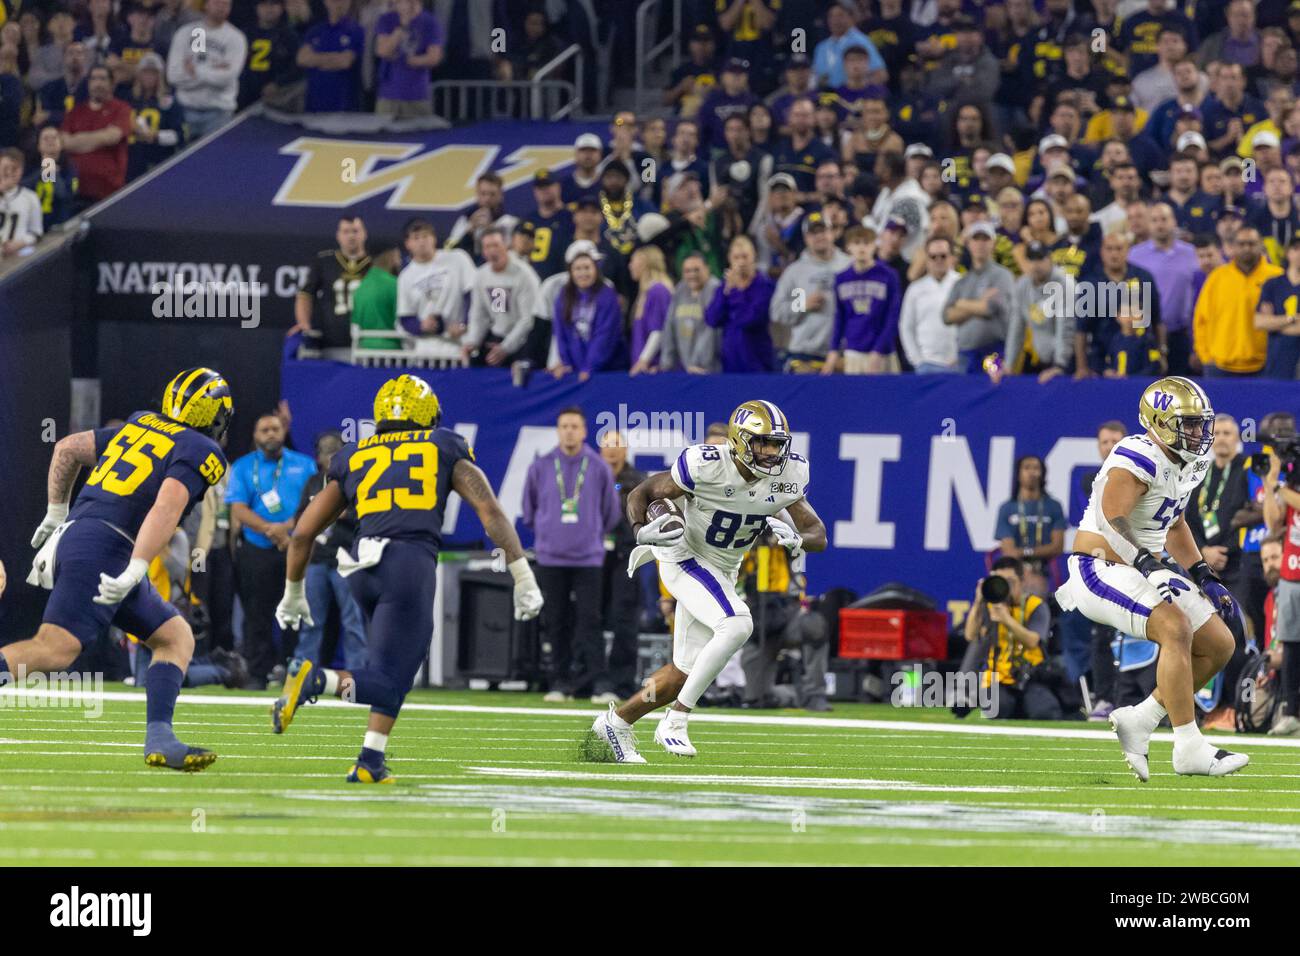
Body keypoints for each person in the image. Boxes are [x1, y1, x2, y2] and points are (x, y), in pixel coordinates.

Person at [273, 374, 543, 782]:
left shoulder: (353, 455)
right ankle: (316, 679)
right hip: (407, 564)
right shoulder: (444, 445)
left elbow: (303, 533)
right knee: (392, 677)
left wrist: (293, 592)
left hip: (361, 570)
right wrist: (522, 575)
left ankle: (370, 759)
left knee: (390, 671)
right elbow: (490, 513)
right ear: (429, 414)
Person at [14, 368, 232, 771]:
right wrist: (137, 567)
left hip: (88, 537)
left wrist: (57, 512)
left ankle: (161, 740)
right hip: (108, 547)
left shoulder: (140, 424)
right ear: (218, 416)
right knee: (55, 649)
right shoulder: (201, 448)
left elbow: (66, 448)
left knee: (175, 637)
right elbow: (166, 507)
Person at [590, 400, 827, 762]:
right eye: (762, 443)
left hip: (724, 568)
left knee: (682, 673)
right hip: (685, 557)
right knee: (737, 624)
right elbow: (642, 492)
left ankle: (616, 724)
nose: (770, 452)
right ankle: (677, 720)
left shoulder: (786, 475)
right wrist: (641, 531)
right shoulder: (706, 465)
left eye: (776, 444)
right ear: (738, 440)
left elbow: (817, 533)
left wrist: (797, 539)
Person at [1057, 376, 1248, 780]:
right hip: (1099, 567)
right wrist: (1147, 563)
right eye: (1189, 424)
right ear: (1160, 422)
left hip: (1144, 565)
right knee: (1175, 628)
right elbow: (1113, 520)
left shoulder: (1189, 461)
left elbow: (1174, 522)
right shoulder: (1136, 454)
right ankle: (1189, 747)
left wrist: (1202, 574)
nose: (1199, 432)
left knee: (1219, 644)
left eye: (1200, 423)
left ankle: (1140, 719)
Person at [522, 407, 621, 703]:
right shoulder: (541, 465)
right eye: (564, 425)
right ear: (557, 430)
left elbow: (611, 511)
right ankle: (559, 683)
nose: (569, 431)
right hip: (551, 557)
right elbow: (529, 510)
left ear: (584, 431)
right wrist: (547, 531)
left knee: (590, 620)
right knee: (555, 621)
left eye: (574, 426)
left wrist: (590, 533)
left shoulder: (597, 466)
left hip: (588, 558)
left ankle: (598, 684)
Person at [225, 411, 316, 688]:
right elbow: (238, 508)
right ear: (255, 435)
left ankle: (292, 670)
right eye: (264, 430)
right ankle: (257, 672)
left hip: (296, 547)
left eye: (275, 429)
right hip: (256, 549)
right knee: (256, 614)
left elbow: (315, 502)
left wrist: (288, 527)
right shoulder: (242, 466)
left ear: (284, 432)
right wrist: (270, 529)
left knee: (296, 611)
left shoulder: (305, 465)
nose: (271, 434)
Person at [964, 556, 1060, 720]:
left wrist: (1006, 619)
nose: (1005, 587)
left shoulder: (1035, 605)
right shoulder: (990, 605)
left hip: (1031, 676)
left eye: (1010, 581)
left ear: (1022, 582)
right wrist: (978, 601)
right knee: (998, 708)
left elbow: (1032, 641)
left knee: (1045, 713)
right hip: (998, 678)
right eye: (999, 580)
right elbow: (970, 635)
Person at [595, 430, 645, 703]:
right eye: (607, 445)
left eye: (617, 445)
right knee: (588, 618)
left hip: (625, 557)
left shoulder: (637, 481)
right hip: (591, 556)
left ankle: (621, 682)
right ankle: (590, 679)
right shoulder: (589, 477)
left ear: (625, 449)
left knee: (624, 619)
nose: (612, 450)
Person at [1194, 226, 1281, 377]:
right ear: (1233, 247)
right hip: (1220, 366)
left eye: (1252, 243)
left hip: (1266, 365)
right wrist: (1206, 356)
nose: (1247, 248)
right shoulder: (1217, 277)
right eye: (1241, 244)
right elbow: (1200, 320)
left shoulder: (1277, 276)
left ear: (1261, 245)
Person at [771, 210, 852, 372]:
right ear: (806, 238)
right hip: (806, 356)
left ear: (833, 233)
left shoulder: (849, 265)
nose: (819, 236)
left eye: (823, 230)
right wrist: (802, 304)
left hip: (844, 355)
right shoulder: (795, 272)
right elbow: (777, 312)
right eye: (813, 233)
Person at [1262, 434, 1300, 737]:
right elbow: (1274, 525)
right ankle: (1290, 711)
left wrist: (1279, 486)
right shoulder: (1288, 487)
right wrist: (1273, 477)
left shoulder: (1289, 491)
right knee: (1290, 643)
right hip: (1290, 572)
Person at [826, 223, 901, 375]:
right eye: (857, 243)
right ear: (848, 247)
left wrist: (878, 349)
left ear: (875, 245)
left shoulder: (888, 275)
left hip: (884, 352)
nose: (862, 248)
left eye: (866, 243)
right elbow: (839, 317)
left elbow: (893, 316)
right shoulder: (841, 278)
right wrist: (833, 350)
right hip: (854, 350)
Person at [165, 0, 246, 137]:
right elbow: (173, 75)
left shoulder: (235, 38)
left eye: (226, 4)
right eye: (217, 2)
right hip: (185, 109)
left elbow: (227, 78)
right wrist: (213, 71)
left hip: (218, 113)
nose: (221, 7)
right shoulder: (188, 33)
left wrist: (196, 71)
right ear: (206, 4)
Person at [943, 220, 1015, 373]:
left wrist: (961, 303)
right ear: (968, 244)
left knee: (995, 392)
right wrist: (978, 304)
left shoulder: (1002, 275)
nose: (980, 244)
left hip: (994, 351)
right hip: (965, 353)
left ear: (993, 244)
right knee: (964, 395)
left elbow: (988, 308)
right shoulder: (962, 281)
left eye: (985, 239)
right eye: (976, 239)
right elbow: (946, 316)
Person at [293, 215, 371, 354]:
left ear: (364, 233)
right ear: (338, 235)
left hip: (369, 341)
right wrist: (303, 323)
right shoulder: (325, 261)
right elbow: (305, 294)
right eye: (346, 232)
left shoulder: (376, 263)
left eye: (355, 231)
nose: (351, 236)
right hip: (332, 339)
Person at [462, 227, 538, 367]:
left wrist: (506, 347)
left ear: (506, 246)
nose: (492, 251)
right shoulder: (481, 276)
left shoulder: (525, 275)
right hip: (498, 334)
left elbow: (527, 319)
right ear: (483, 251)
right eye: (487, 247)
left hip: (525, 339)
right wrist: (472, 341)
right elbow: (478, 315)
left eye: (496, 245)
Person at [550, 246, 627, 379]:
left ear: (596, 270)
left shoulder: (607, 296)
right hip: (576, 370)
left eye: (587, 268)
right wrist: (566, 363)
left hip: (607, 371)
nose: (583, 273)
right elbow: (560, 333)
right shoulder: (564, 295)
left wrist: (589, 367)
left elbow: (605, 336)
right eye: (578, 269)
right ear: (571, 272)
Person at [60, 63, 130, 206]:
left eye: (103, 79)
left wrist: (77, 140)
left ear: (112, 84)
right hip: (76, 189)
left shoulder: (121, 109)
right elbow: (64, 143)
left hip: (108, 191)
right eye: (94, 79)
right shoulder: (75, 112)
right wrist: (100, 138)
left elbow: (113, 137)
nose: (98, 83)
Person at [705, 234, 776, 373]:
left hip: (758, 362)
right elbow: (712, 319)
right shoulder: (725, 287)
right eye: (736, 258)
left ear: (754, 256)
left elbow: (749, 319)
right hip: (730, 362)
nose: (741, 262)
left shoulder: (764, 286)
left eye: (745, 257)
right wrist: (725, 292)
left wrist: (739, 291)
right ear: (729, 259)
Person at [899, 234, 960, 374]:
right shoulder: (915, 289)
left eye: (943, 256)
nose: (938, 260)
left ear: (952, 257)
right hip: (926, 363)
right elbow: (906, 326)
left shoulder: (962, 284)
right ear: (926, 259)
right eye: (933, 256)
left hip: (957, 363)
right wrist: (917, 360)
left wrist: (960, 356)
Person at [373, 0, 443, 117]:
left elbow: (434, 57)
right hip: (388, 95)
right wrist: (402, 26)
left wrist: (413, 60)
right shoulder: (386, 19)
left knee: (419, 133)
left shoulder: (430, 22)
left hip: (417, 94)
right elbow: (382, 50)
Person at [296, 0, 363, 113]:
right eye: (334, 1)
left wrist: (315, 59)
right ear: (326, 2)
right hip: (314, 105)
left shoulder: (357, 31)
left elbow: (344, 62)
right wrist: (332, 59)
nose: (338, 4)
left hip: (345, 106)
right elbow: (301, 59)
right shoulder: (315, 31)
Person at [660, 252, 720, 374]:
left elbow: (710, 330)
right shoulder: (680, 289)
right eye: (687, 271)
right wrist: (667, 363)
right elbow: (669, 326)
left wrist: (699, 363)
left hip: (709, 370)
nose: (692, 275)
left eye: (696, 270)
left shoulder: (715, 289)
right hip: (687, 368)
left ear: (707, 269)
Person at [1255, 233, 1300, 380]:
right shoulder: (1273, 284)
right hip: (1278, 358)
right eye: (1296, 248)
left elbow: (1269, 322)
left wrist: (1276, 322)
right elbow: (1260, 322)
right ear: (1288, 253)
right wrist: (1292, 319)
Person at [627, 245, 673, 375]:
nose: (630, 266)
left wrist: (643, 361)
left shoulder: (658, 290)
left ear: (644, 262)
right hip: (645, 369)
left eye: (632, 261)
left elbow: (658, 331)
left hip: (653, 369)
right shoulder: (646, 292)